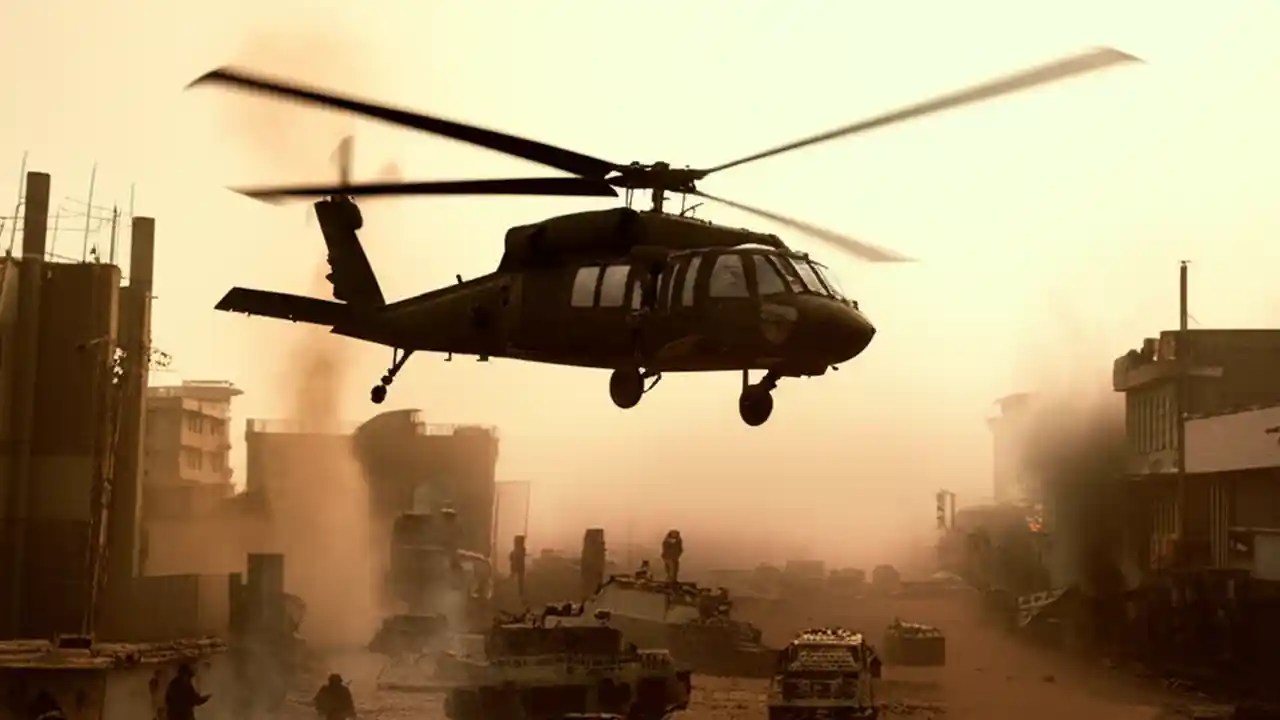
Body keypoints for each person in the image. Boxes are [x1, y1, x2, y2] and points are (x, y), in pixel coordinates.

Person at [509, 535, 527, 600]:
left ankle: (519, 592)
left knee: (518, 579)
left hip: (518, 566)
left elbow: (511, 557)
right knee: (519, 579)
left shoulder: (519, 550)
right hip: (519, 566)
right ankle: (519, 592)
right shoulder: (521, 549)